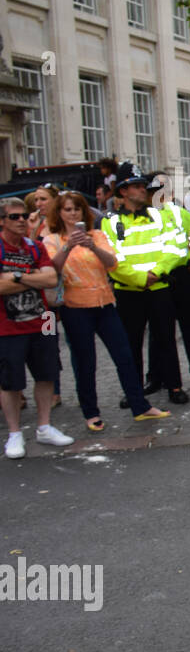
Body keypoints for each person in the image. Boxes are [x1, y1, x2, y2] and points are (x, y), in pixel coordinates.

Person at [43, 191, 169, 430]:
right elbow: (51, 270)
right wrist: (68, 246)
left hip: (104, 303)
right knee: (85, 361)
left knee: (124, 356)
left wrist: (93, 247)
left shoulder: (97, 235)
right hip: (74, 306)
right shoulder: (52, 240)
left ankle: (139, 406)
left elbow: (112, 263)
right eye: (68, 210)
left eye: (77, 209)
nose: (73, 214)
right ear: (59, 213)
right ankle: (91, 413)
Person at [103, 163, 190, 406]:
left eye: (143, 185)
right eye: (137, 186)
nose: (143, 190)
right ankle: (134, 392)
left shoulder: (160, 215)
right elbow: (113, 260)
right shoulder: (110, 223)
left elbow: (176, 247)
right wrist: (141, 278)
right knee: (130, 345)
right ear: (123, 191)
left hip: (159, 288)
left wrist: (157, 272)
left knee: (166, 340)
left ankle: (174, 386)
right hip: (129, 293)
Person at [1, 196, 74, 458]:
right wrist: (35, 278)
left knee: (47, 373)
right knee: (10, 382)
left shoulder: (34, 246)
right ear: (2, 221)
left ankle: (44, 426)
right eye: (14, 217)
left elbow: (51, 278)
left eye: (23, 215)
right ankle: (14, 433)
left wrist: (18, 276)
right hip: (7, 325)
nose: (21, 220)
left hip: (44, 319)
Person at [151, 173, 190, 391]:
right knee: (158, 329)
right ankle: (156, 375)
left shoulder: (180, 213)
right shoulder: (144, 216)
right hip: (156, 277)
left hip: (181, 274)